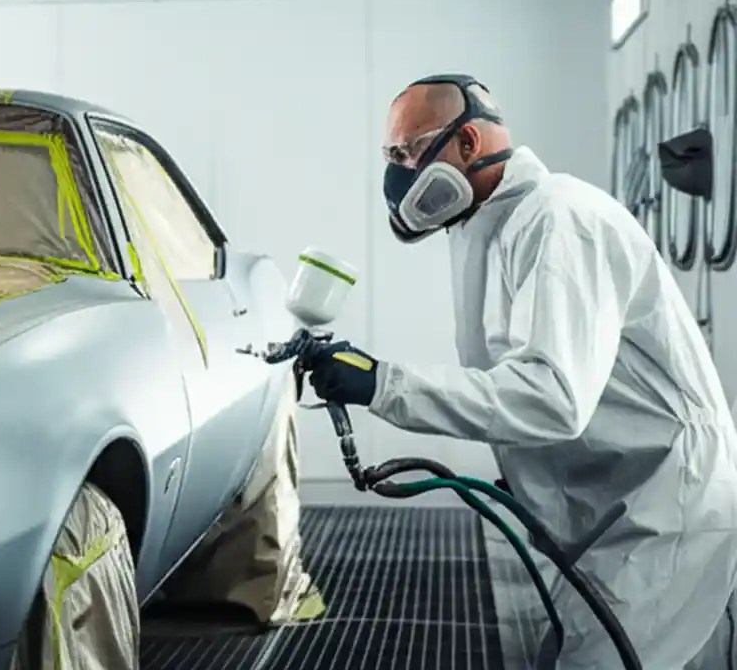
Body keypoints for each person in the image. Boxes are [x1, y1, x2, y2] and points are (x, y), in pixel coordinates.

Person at [301, 73, 737, 669]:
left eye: (406, 152)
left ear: (467, 145)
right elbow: (525, 377)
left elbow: (554, 396)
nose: (397, 172)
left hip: (663, 503)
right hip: (610, 499)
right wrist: (529, 472)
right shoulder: (489, 225)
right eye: (390, 155)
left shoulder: (560, 220)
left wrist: (385, 383)